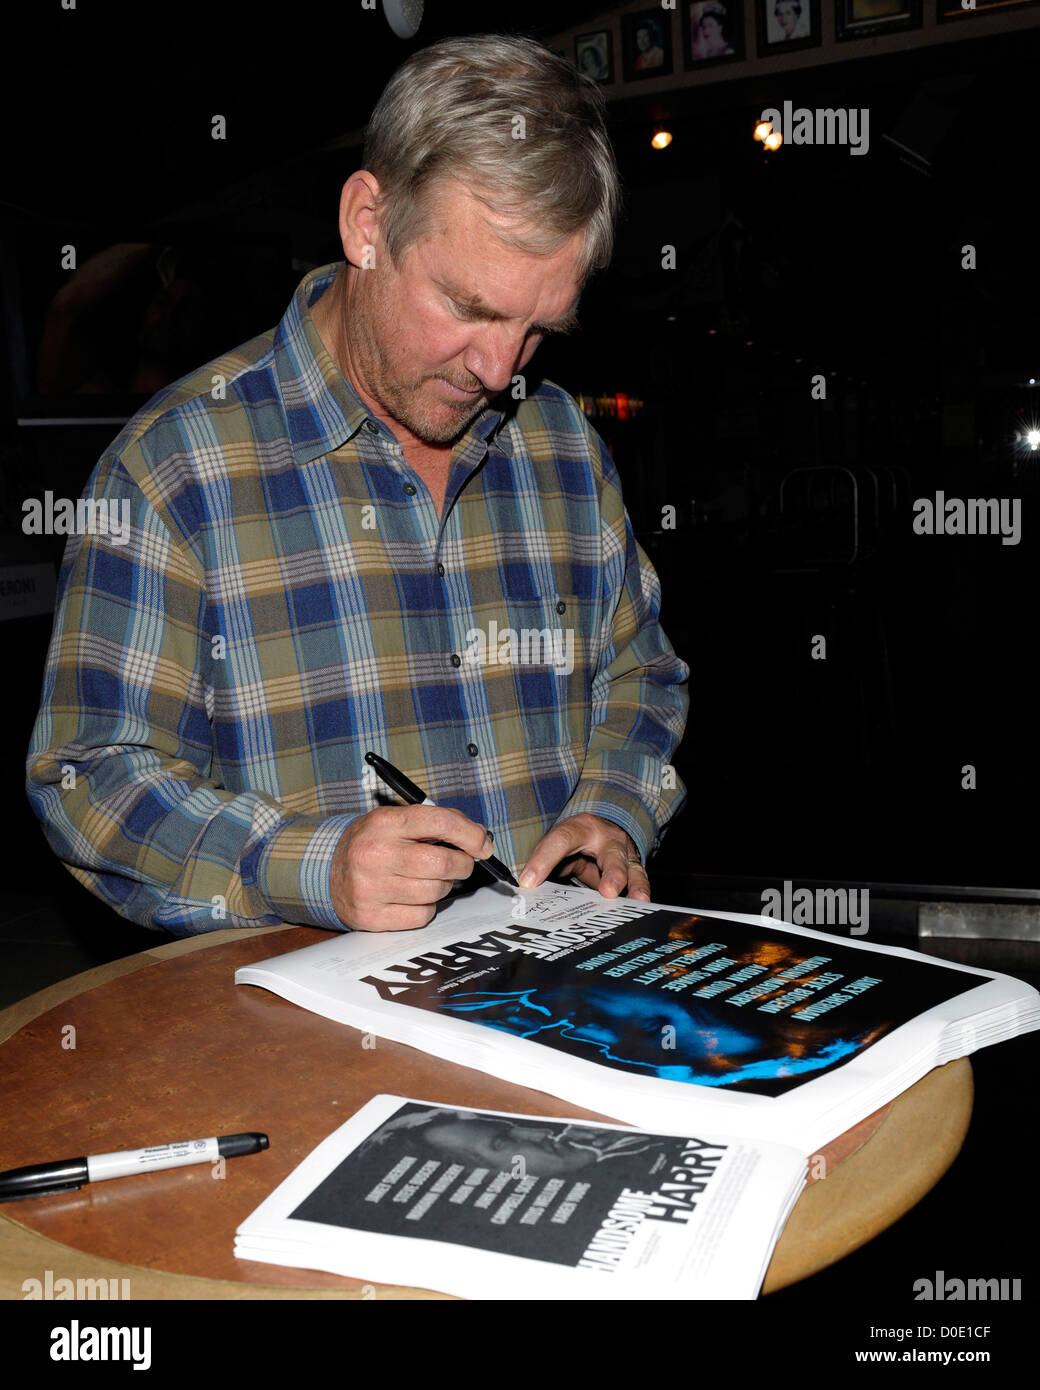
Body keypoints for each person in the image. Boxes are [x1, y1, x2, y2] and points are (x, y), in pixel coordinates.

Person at [26, 34, 689, 936]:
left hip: (551, 1027)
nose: (499, 368)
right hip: (297, 1058)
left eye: (539, 328)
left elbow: (641, 675)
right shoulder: (175, 468)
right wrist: (310, 867)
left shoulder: (563, 445)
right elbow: (89, 777)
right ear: (367, 225)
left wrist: (612, 809)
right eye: (468, 306)